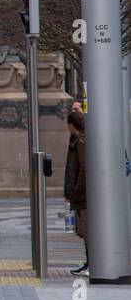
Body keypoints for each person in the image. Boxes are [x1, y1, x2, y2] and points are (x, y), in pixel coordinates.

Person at [63, 110, 88, 277]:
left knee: (87, 230)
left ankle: (91, 263)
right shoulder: (80, 141)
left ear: (71, 125)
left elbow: (83, 168)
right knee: (85, 231)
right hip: (82, 194)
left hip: (83, 195)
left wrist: (76, 189)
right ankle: (89, 262)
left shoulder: (80, 142)